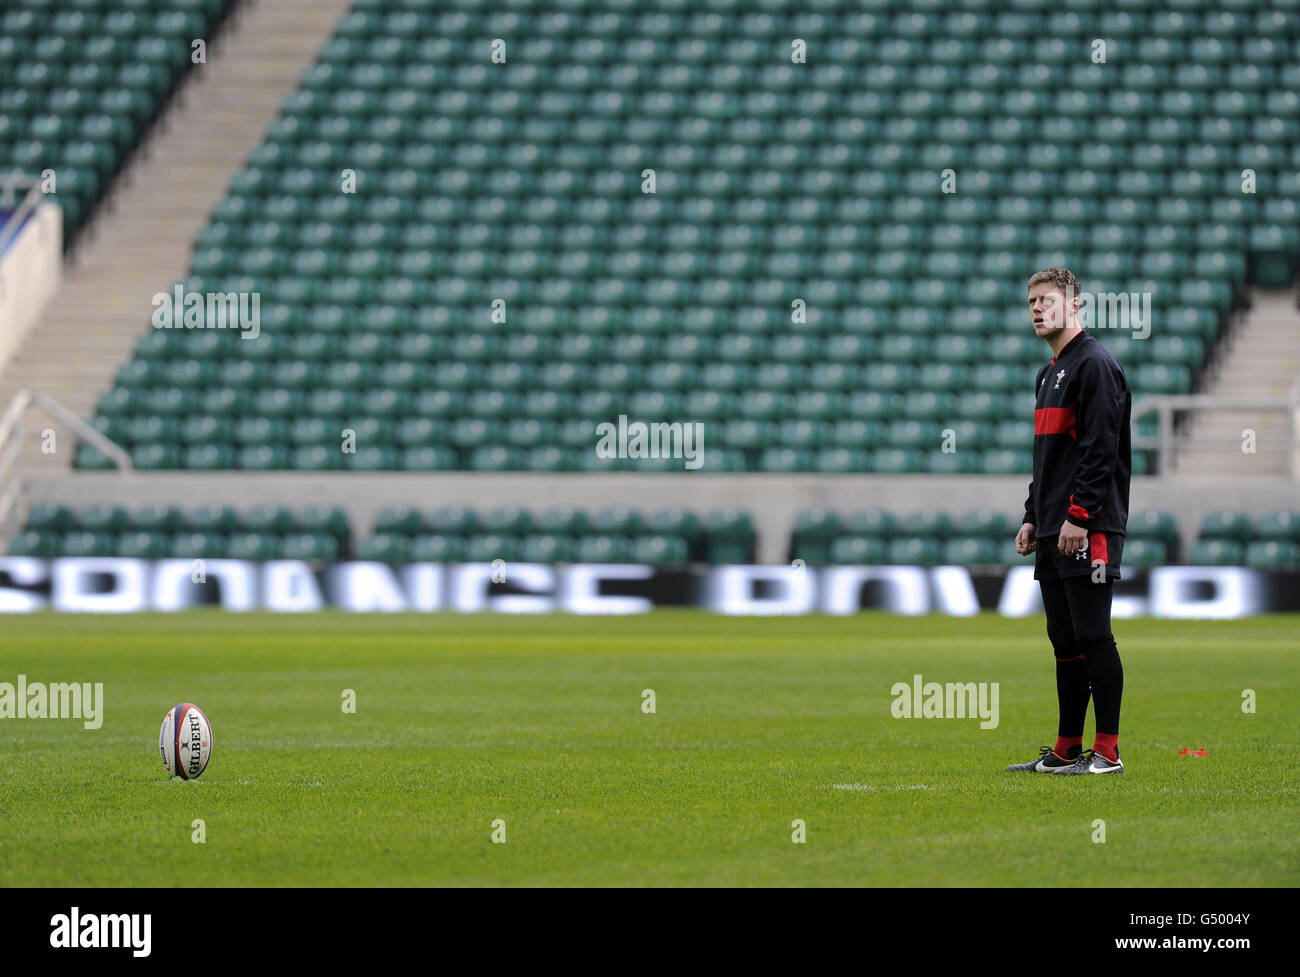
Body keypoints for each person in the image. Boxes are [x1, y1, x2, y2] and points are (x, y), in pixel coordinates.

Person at [1006, 267, 1132, 775]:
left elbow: (1100, 450)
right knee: (1063, 638)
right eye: (1031, 301)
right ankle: (1065, 750)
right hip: (1056, 527)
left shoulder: (1095, 365)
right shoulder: (1049, 372)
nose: (1037, 308)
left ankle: (1107, 752)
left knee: (1092, 633)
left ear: (1074, 303)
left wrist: (1080, 515)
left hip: (1090, 526)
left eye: (1047, 299)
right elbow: (1050, 457)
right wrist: (1034, 516)